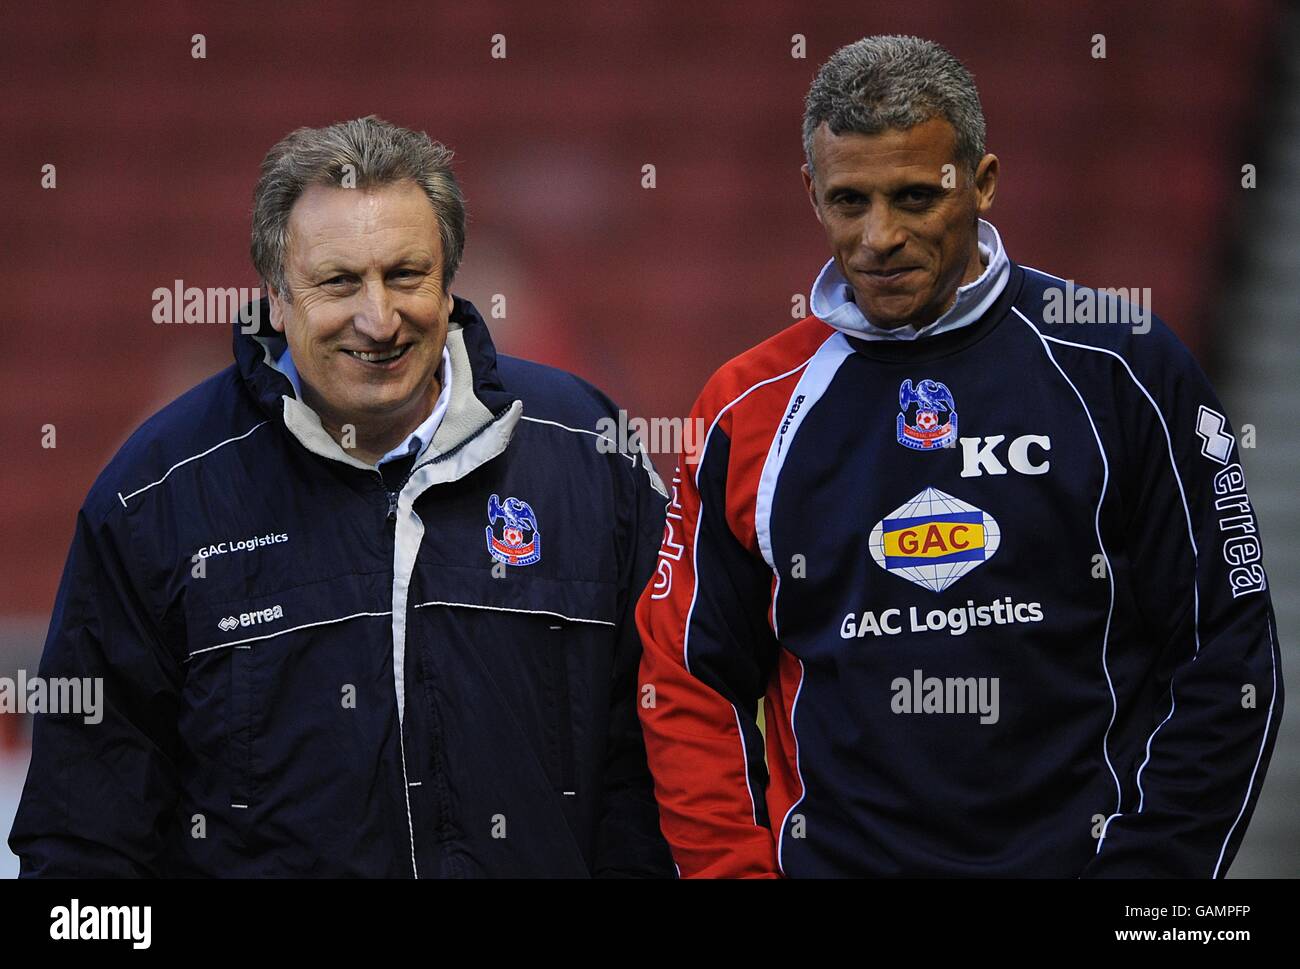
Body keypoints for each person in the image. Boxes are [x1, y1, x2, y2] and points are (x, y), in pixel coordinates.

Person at [635, 36, 1283, 877]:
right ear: (810, 194)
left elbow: (1227, 652)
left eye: (913, 197)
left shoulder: (1123, 365)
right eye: (849, 200)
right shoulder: (744, 407)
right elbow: (688, 682)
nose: (879, 236)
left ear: (981, 184)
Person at [11, 116, 673, 878]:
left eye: (404, 274)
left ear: (449, 278)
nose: (379, 318)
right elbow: (80, 846)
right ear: (276, 294)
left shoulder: (587, 451)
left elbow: (669, 759)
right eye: (338, 281)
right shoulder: (156, 495)